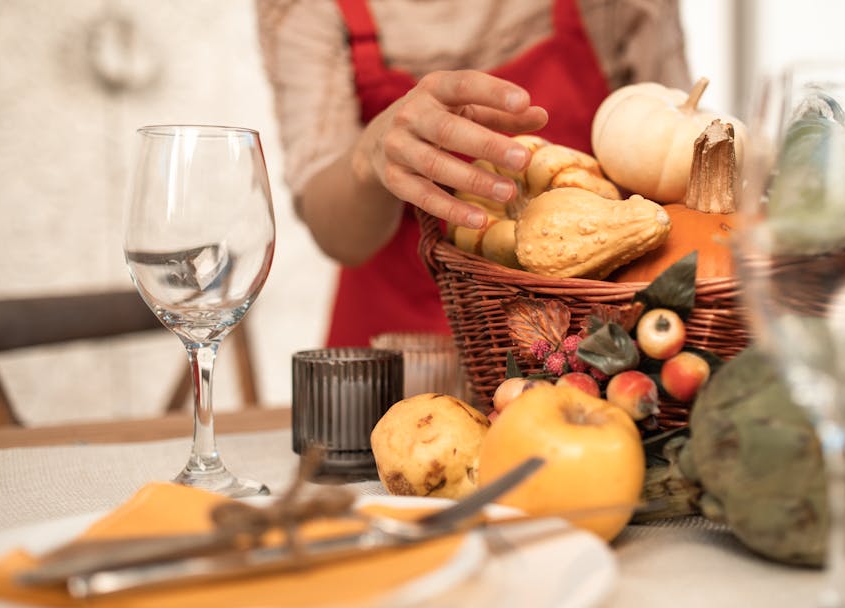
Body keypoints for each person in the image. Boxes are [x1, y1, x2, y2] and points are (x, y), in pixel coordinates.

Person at [255, 0, 691, 347]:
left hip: (584, 348)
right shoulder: (307, 7)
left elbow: (675, 164)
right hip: (397, 353)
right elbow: (338, 237)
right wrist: (370, 154)